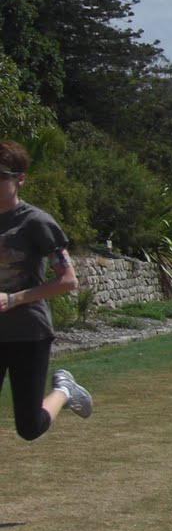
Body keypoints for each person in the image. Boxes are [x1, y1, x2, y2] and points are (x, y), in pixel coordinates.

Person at [0, 140, 94, 442]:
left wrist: (14, 299)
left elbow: (67, 280)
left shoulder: (36, 223)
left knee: (29, 428)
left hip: (29, 333)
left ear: (20, 179)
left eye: (1, 175)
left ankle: (65, 390)